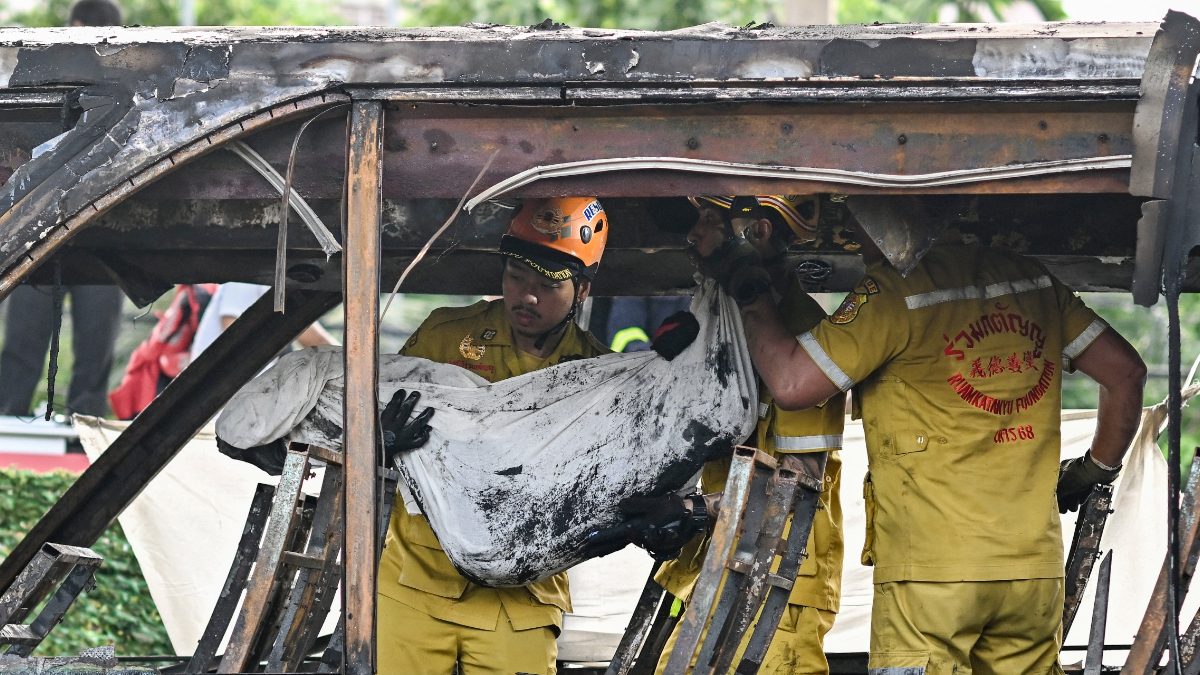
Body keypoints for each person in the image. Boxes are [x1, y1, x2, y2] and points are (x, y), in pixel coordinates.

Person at [698, 203, 1146, 675]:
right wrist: (1094, 470)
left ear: (880, 227)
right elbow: (1127, 374)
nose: (854, 239)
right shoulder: (1031, 281)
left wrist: (748, 285)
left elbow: (790, 384)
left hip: (932, 578)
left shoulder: (894, 292)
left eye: (856, 228)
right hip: (1032, 571)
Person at [376, 196, 613, 675]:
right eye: (515, 277)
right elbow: (374, 422)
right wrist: (382, 439)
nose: (526, 297)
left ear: (583, 289)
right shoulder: (445, 335)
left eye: (548, 285)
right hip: (416, 577)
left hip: (522, 594)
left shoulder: (599, 374)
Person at [0, 0, 125, 418]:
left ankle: (60, 419)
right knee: (46, 343)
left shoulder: (115, 87)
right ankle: (29, 416)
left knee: (78, 344)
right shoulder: (69, 84)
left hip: (75, 233)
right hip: (72, 235)